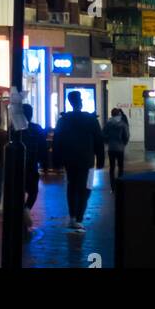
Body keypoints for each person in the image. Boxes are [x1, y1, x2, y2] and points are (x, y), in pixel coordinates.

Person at [51, 90, 105, 231]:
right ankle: (79, 218)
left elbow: (57, 140)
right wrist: (100, 159)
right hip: (86, 160)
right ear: (80, 102)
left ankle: (73, 216)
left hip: (70, 159)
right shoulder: (91, 119)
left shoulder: (64, 120)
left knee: (72, 186)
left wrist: (57, 160)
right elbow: (99, 140)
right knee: (85, 188)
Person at [22, 104, 48, 220]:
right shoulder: (37, 128)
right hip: (32, 165)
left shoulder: (14, 130)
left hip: (17, 167)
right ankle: (26, 209)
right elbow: (44, 147)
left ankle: (22, 211)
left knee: (17, 190)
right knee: (33, 191)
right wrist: (45, 163)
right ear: (31, 115)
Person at [102, 107, 130, 191]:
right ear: (118, 114)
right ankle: (120, 185)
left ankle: (112, 186)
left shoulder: (108, 124)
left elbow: (103, 134)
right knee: (121, 167)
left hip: (111, 148)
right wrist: (123, 143)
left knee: (112, 167)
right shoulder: (123, 124)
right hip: (120, 148)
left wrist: (108, 141)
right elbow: (126, 136)